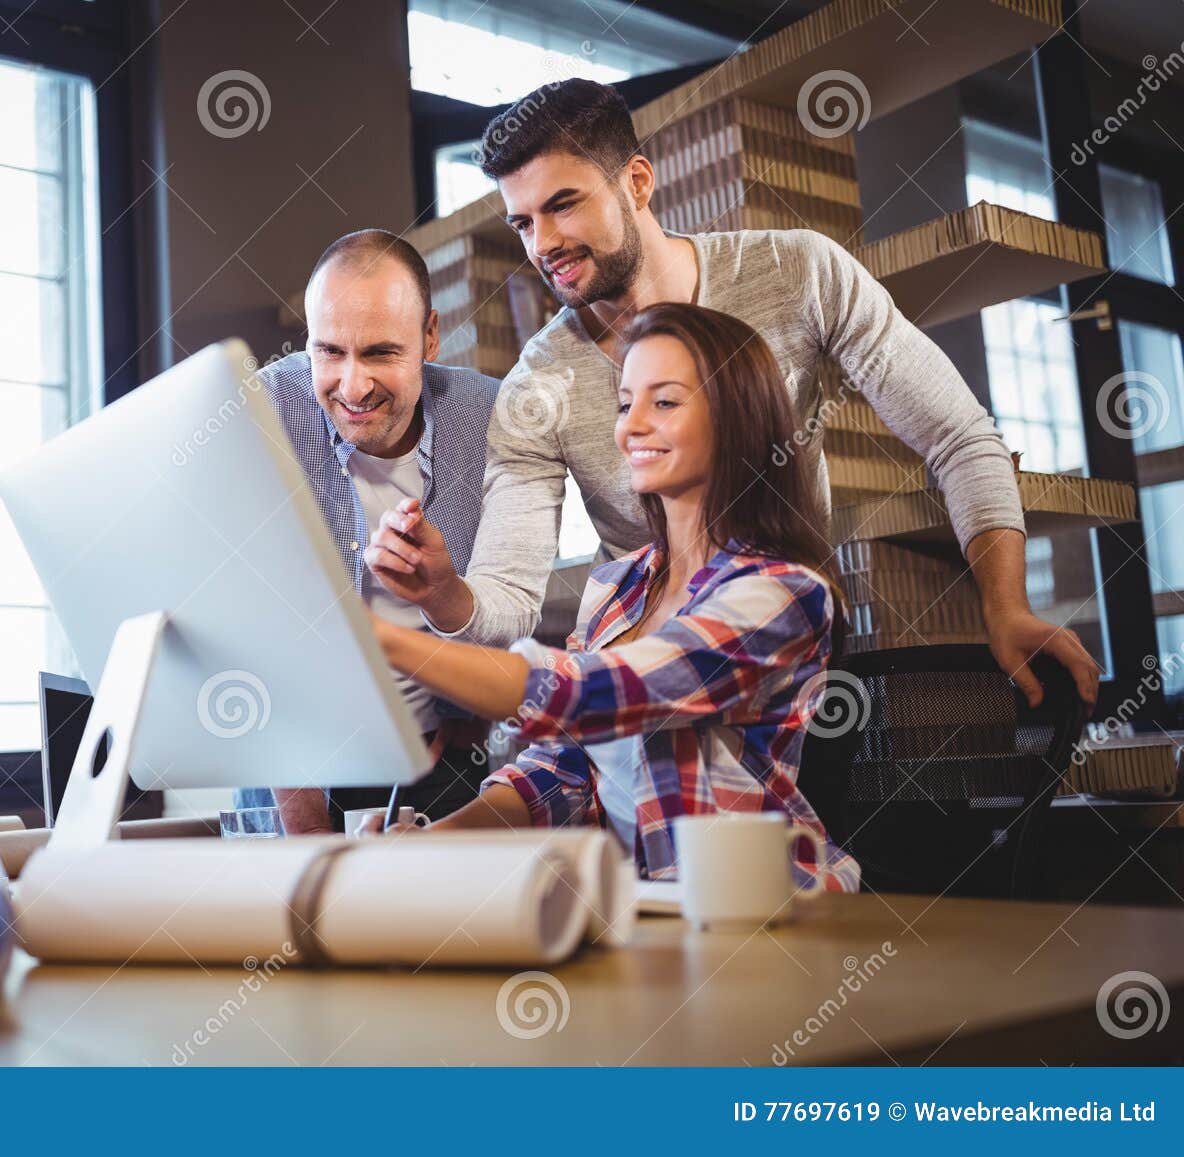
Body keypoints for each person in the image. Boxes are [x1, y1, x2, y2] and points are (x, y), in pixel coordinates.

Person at [366, 78, 1100, 710]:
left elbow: (959, 436)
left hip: (781, 650)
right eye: (522, 221)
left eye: (564, 204)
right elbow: (508, 596)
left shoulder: (799, 272)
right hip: (641, 665)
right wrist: (442, 597)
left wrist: (1006, 607)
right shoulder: (537, 384)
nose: (542, 243)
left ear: (638, 183)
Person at [367, 301, 859, 891]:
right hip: (649, 917)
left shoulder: (782, 594)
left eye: (665, 401)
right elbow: (560, 771)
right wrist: (427, 845)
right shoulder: (615, 588)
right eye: (626, 404)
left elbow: (591, 694)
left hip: (766, 918)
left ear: (738, 420)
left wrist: (380, 640)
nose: (631, 426)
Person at [234, 229, 501, 834]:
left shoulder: (488, 417)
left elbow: (503, 601)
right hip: (290, 766)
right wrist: (306, 831)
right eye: (329, 352)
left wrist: (465, 737)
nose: (353, 387)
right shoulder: (264, 410)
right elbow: (252, 629)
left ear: (430, 335)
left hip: (440, 757)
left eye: (381, 353)